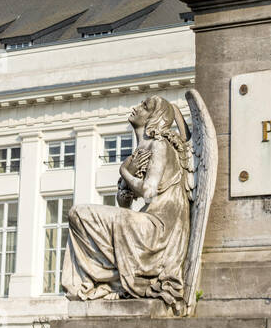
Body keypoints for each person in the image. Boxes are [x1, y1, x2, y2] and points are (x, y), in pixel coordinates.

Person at [61, 96, 191, 309]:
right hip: (143, 222)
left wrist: (124, 172)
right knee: (77, 214)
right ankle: (105, 280)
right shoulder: (140, 149)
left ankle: (114, 279)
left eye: (144, 106)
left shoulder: (160, 145)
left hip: (160, 229)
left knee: (79, 213)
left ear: (154, 116)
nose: (136, 107)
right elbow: (124, 205)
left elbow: (149, 192)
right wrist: (125, 185)